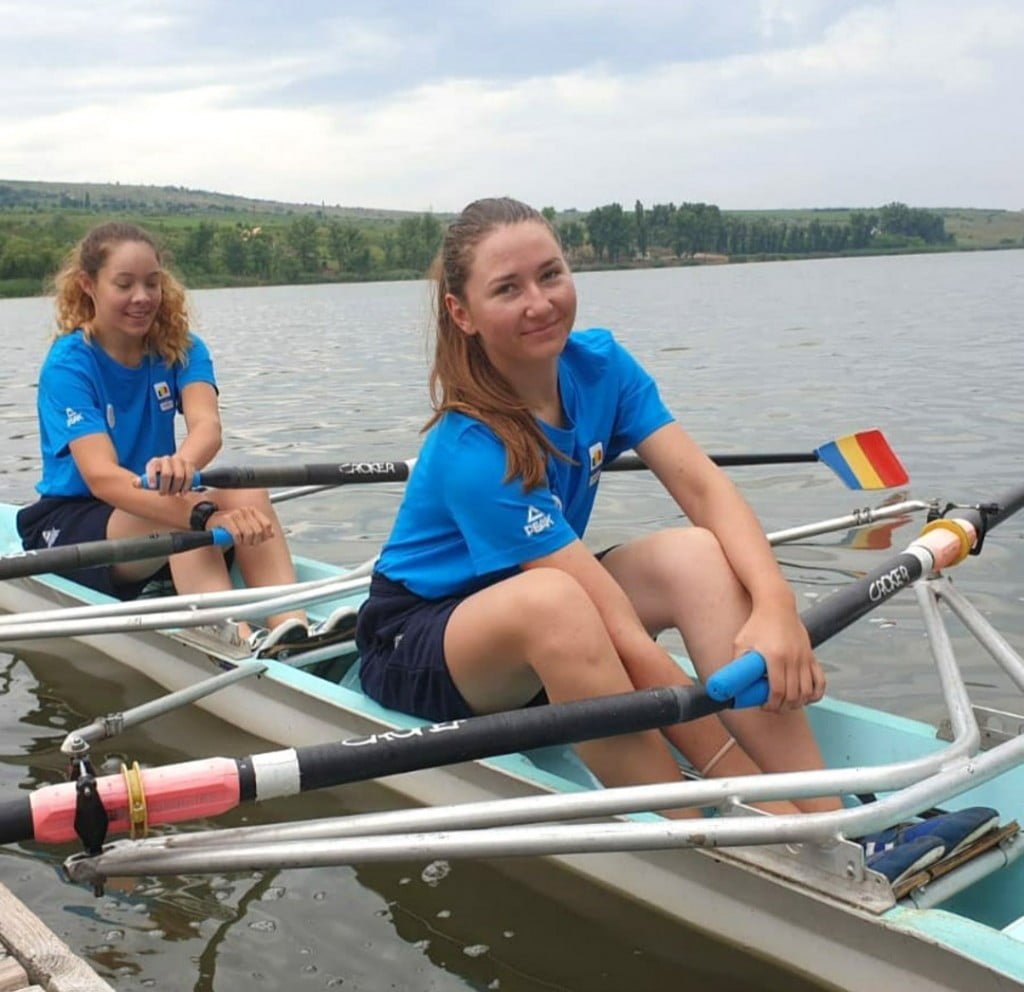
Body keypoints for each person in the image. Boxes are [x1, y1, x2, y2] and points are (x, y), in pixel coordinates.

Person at [354, 197, 841, 818]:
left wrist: (777, 608)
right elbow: (622, 634)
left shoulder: (601, 364)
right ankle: (702, 828)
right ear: (462, 313)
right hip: (418, 645)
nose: (539, 303)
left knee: (693, 555)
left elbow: (704, 490)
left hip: (550, 614)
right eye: (507, 288)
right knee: (556, 602)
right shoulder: (472, 448)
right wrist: (741, 787)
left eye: (550, 274)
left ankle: (828, 814)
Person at [17, 221, 307, 654]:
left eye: (152, 283)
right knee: (182, 510)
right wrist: (201, 513)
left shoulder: (182, 347)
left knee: (244, 490)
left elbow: (207, 428)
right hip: (72, 519)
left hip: (157, 503)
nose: (142, 297)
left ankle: (292, 627)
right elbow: (102, 477)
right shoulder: (68, 364)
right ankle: (238, 643)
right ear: (88, 285)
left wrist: (183, 465)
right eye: (124, 284)